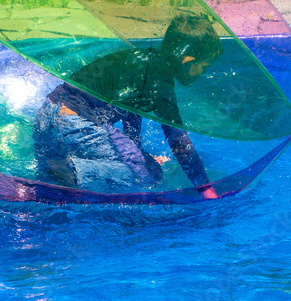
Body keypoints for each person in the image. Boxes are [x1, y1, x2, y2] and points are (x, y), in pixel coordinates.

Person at [33, 14, 222, 199]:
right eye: (203, 67)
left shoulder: (140, 60)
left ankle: (58, 166)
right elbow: (179, 141)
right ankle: (70, 172)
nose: (201, 74)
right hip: (75, 123)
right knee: (149, 175)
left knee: (144, 163)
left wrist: (136, 154)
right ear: (187, 61)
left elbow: (131, 109)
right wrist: (205, 188)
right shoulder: (160, 81)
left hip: (47, 116)